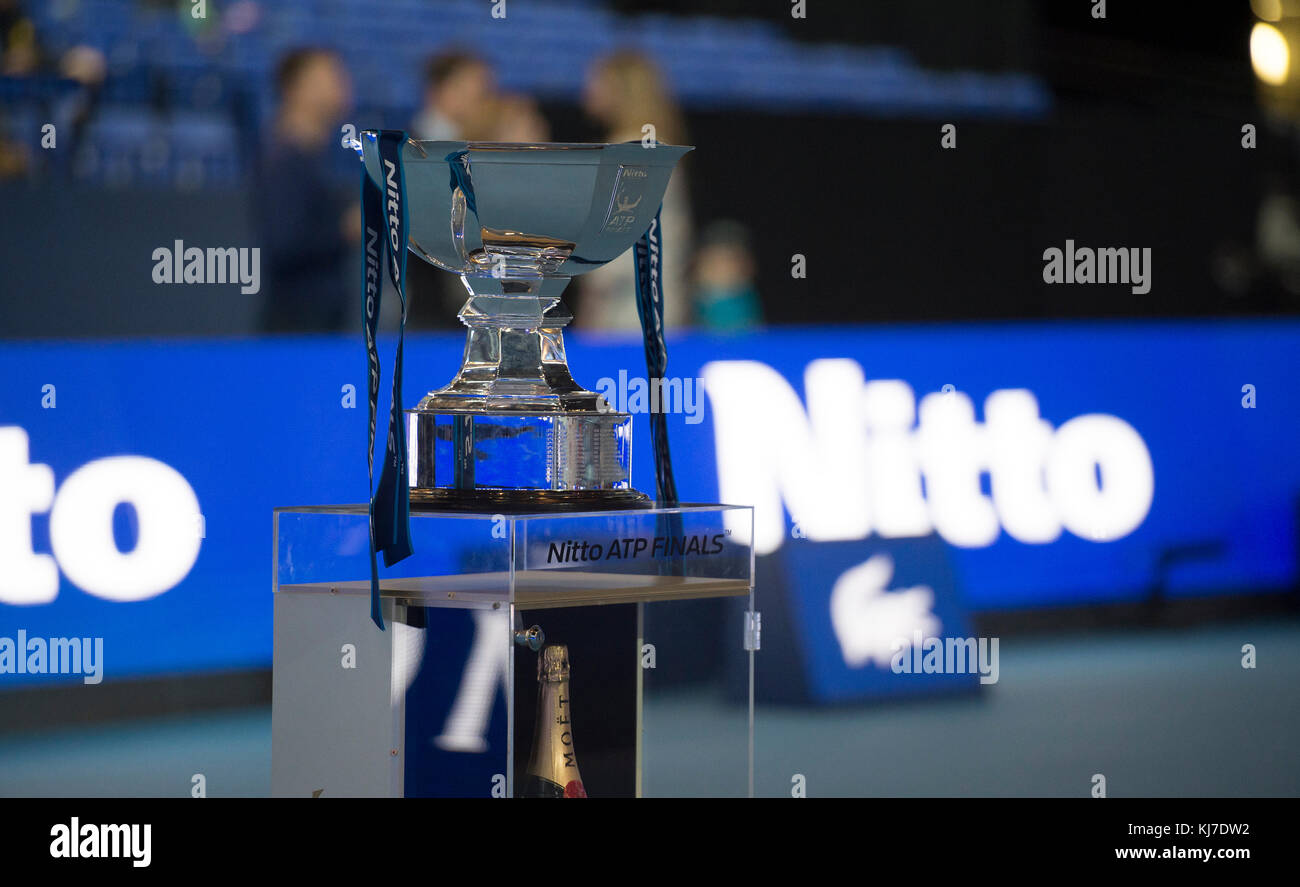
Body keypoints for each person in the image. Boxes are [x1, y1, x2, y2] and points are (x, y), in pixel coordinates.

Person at [577, 50, 693, 333]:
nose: (586, 89)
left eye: (597, 81)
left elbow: (615, 241)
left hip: (626, 316)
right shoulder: (651, 146)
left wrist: (591, 305)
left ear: (621, 89)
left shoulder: (634, 151)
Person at [257, 48, 357, 332]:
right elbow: (285, 242)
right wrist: (346, 228)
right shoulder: (282, 159)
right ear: (297, 88)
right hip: (296, 328)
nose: (342, 84)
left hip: (318, 322)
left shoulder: (311, 158)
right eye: (330, 76)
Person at [411, 50, 497, 142]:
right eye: (463, 91)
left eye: (482, 93)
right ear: (435, 92)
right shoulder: (426, 141)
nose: (472, 101)